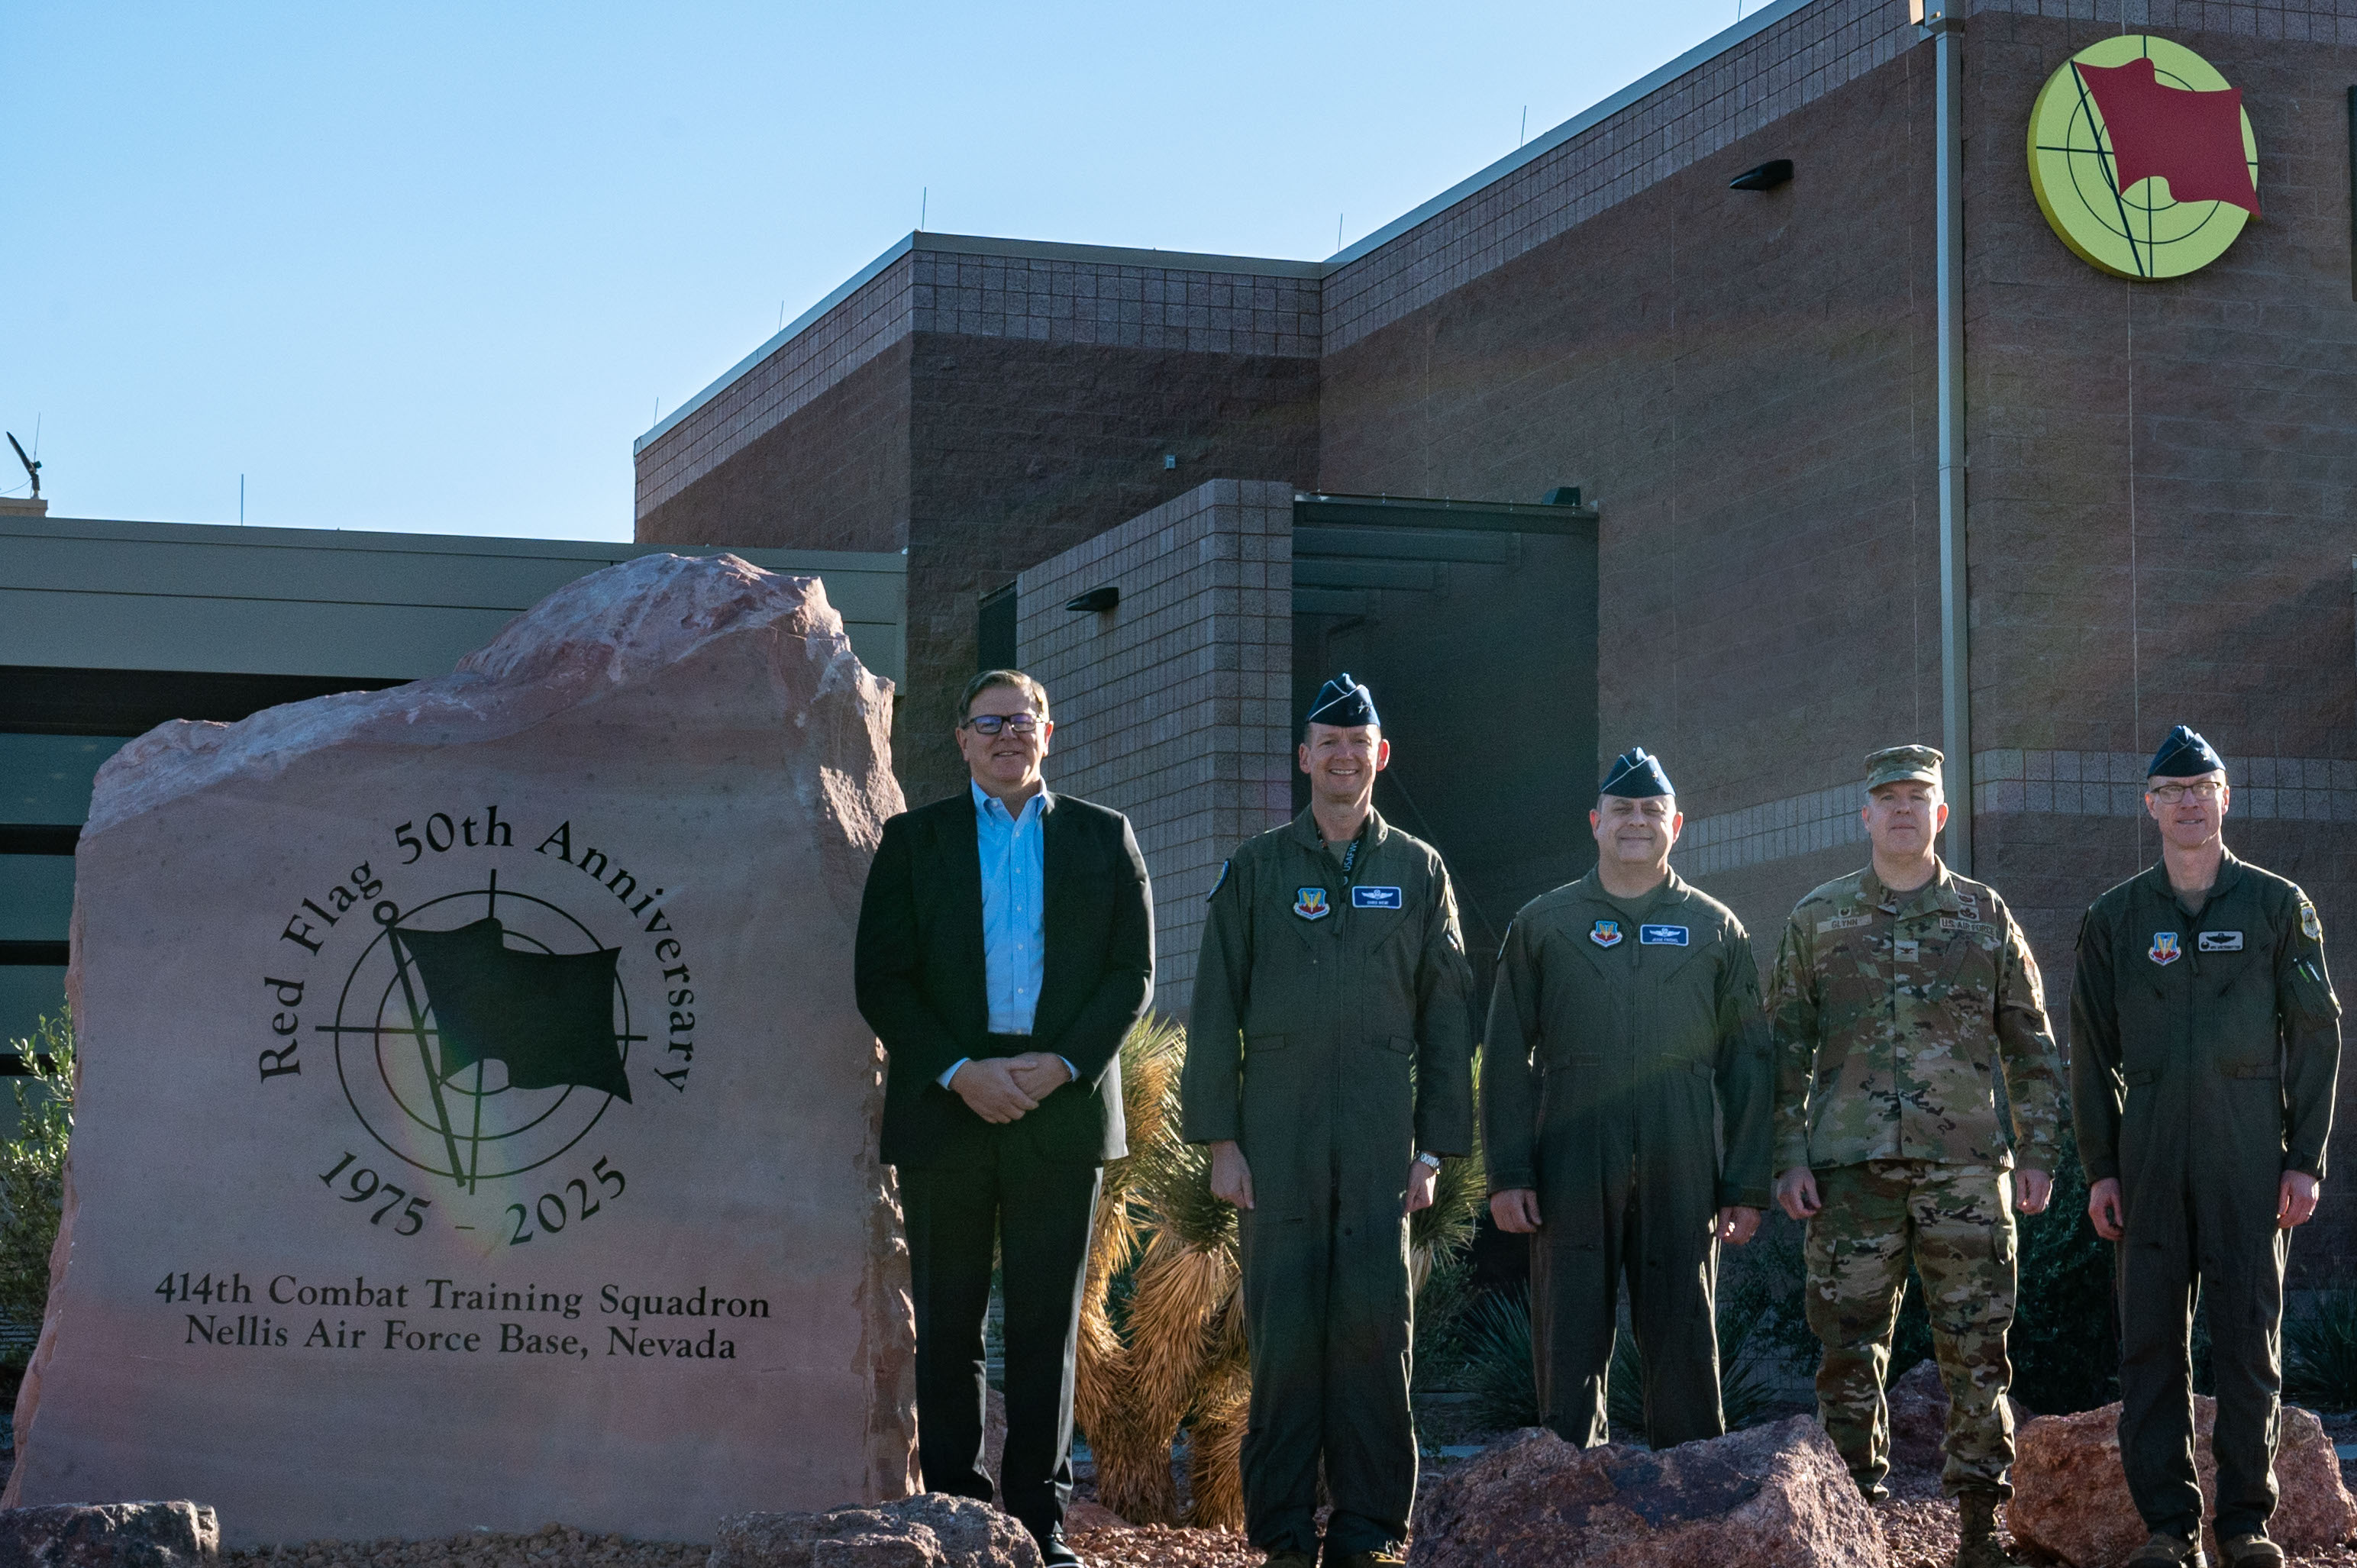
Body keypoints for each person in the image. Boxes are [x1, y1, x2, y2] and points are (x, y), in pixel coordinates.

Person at [855, 668, 1154, 1568]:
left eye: (1023, 720)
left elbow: (1132, 974)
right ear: (961, 738)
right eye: (990, 723)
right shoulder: (914, 841)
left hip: (1060, 1102)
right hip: (949, 1102)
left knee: (1044, 1326)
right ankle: (957, 1511)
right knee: (949, 1322)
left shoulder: (1105, 836)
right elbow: (882, 977)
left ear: (1048, 733)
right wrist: (959, 1071)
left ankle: (1039, 1520)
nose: (1008, 734)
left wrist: (1061, 1064)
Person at [1181, 673, 1477, 1568]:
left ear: (1380, 755)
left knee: (1377, 1337)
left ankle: (1367, 1531)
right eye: (1329, 743)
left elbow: (1448, 1017)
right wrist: (1222, 1141)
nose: (1344, 756)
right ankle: (1280, 1534)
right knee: (1284, 1342)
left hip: (1382, 1144)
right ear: (1304, 757)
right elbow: (1214, 1007)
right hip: (1276, 1144)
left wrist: (1435, 1150)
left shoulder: (1419, 870)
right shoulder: (1258, 869)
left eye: (1359, 743)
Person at [1770, 744, 2062, 1568]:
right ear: (1864, 814)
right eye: (1888, 797)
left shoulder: (1984, 914)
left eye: (1917, 797)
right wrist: (1787, 1157)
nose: (1903, 809)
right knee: (1847, 1351)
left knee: (1977, 1350)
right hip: (1848, 1171)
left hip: (1965, 1170)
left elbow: (2031, 1046)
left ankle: (1978, 1529)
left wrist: (2039, 1151)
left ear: (1940, 814)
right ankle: (1851, 1519)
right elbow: (1781, 1053)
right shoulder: (1817, 919)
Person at [2070, 725, 2341, 1568]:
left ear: (2226, 798)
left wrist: (2305, 1157)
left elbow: (2317, 1035)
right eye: (2171, 791)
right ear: (2149, 806)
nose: (2188, 802)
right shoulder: (2115, 918)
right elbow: (2089, 1051)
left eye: (2202, 788)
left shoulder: (2275, 907)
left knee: (2248, 1343)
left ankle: (2244, 1525)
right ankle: (2167, 1529)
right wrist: (2101, 1168)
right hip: (2148, 1164)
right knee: (2149, 1347)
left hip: (2248, 1161)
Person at [1483, 746, 1772, 1450]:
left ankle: (1693, 1488)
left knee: (1683, 1337)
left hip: (1681, 1161)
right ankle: (1569, 1487)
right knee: (1569, 1339)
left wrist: (1744, 1184)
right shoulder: (1543, 925)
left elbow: (1749, 1065)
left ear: (1677, 824)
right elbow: (1504, 1059)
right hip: (1570, 1161)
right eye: (1621, 810)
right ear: (1595, 822)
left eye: (1650, 810)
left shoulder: (1715, 929)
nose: (1636, 821)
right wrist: (1509, 1173)